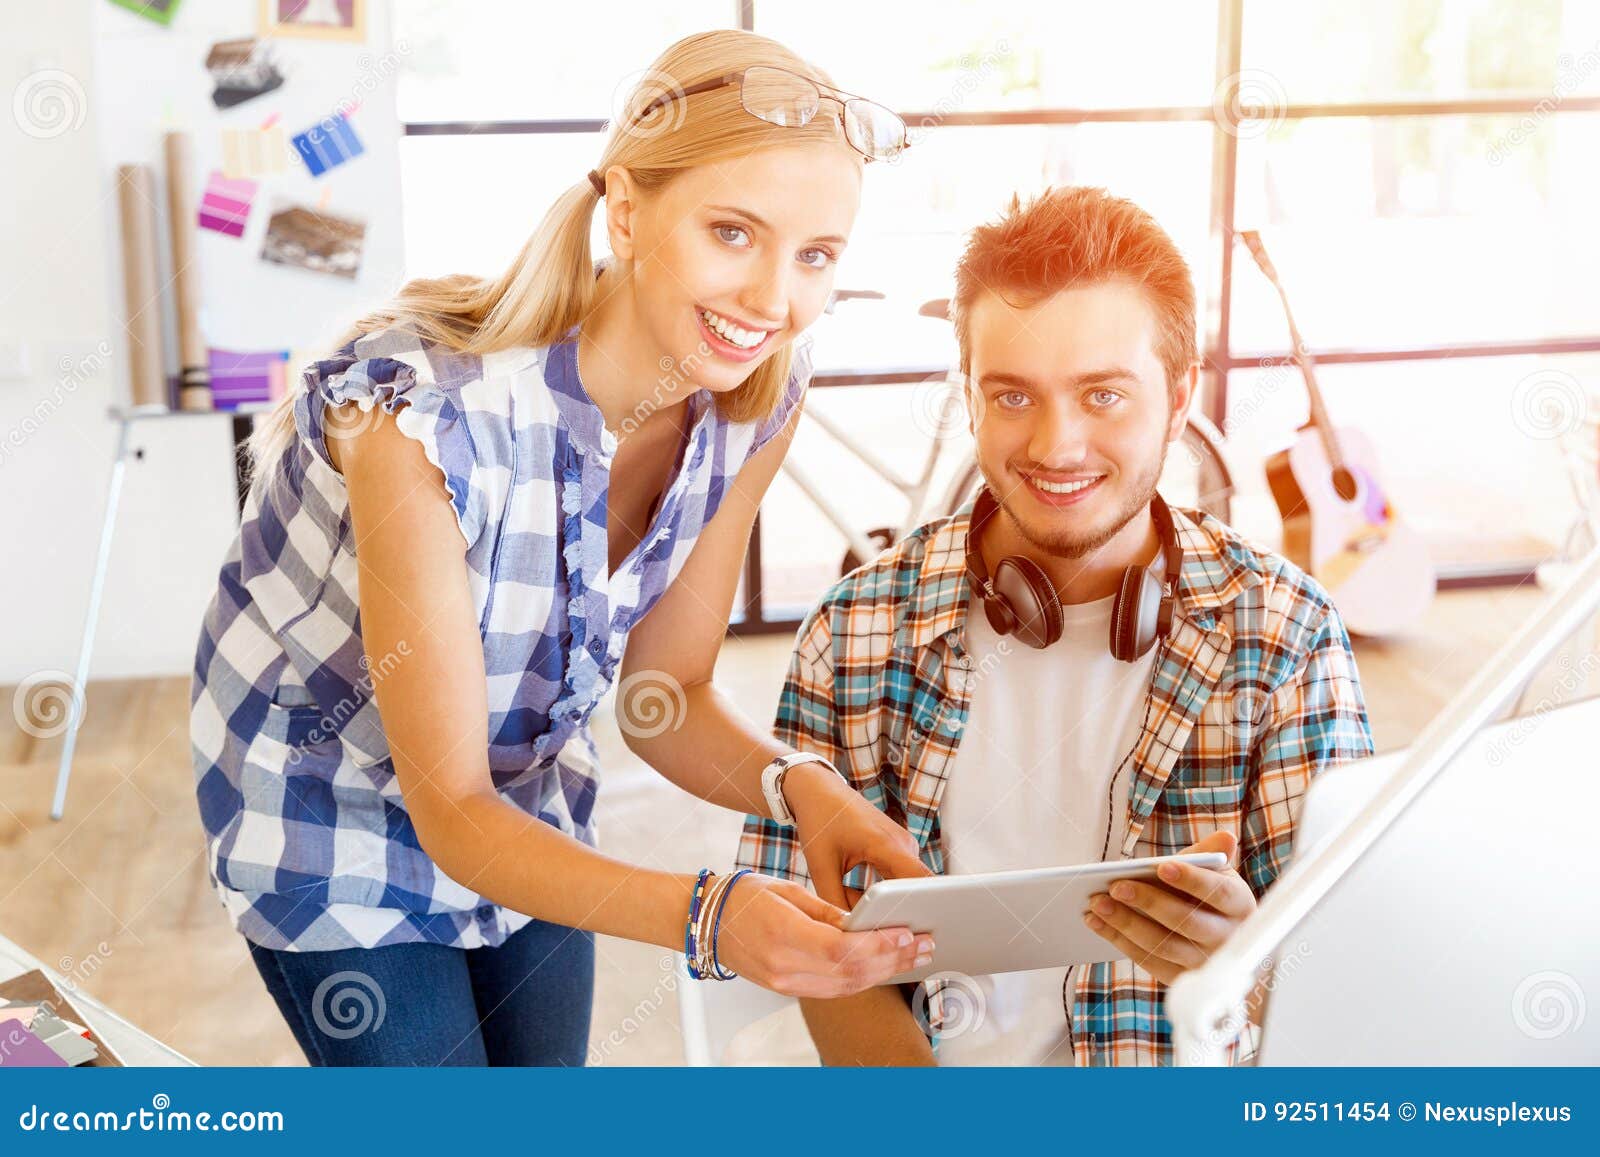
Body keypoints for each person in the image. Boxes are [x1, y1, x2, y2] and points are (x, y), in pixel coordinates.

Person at [191, 29, 931, 1067]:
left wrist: (804, 785)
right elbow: (448, 809)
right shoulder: (421, 416)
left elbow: (661, 695)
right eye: (732, 232)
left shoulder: (755, 398)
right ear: (625, 213)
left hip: (517, 792)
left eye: (814, 255)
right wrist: (712, 912)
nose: (773, 299)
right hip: (328, 804)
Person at [737, 186, 1375, 1066]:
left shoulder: (1286, 635)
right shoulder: (853, 632)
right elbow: (813, 958)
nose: (1056, 446)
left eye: (1104, 396)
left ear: (1181, 395)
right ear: (968, 397)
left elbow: (1353, 995)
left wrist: (1246, 960)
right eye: (1012, 397)